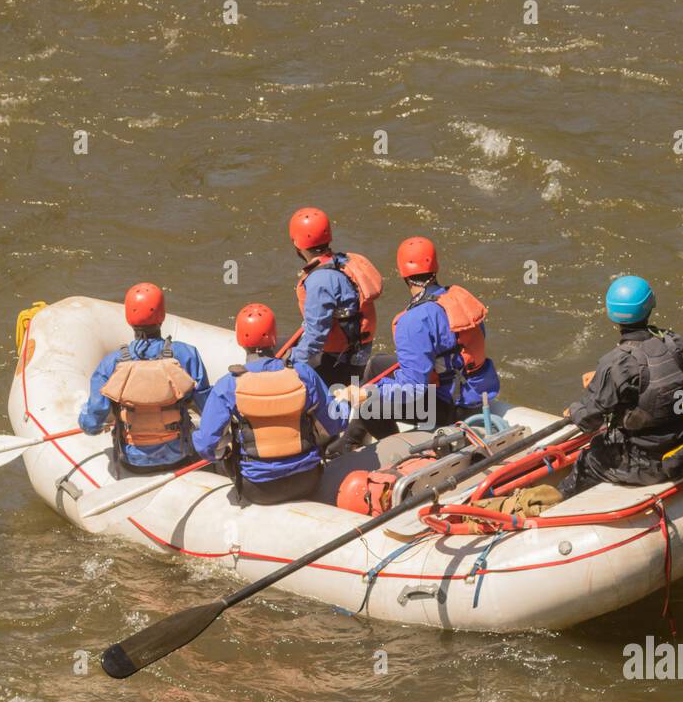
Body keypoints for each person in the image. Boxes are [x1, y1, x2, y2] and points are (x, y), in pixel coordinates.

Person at [335, 236, 499, 450]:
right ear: (436, 266)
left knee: (368, 406)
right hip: (472, 391)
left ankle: (400, 450)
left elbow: (414, 388)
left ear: (403, 273)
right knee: (377, 364)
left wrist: (367, 392)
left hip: (451, 407)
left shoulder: (412, 321)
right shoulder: (457, 298)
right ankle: (353, 437)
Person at [558, 276, 683, 496]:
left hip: (644, 464)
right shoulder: (676, 344)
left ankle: (559, 501)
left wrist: (576, 409)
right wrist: (606, 378)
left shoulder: (616, 362)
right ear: (651, 304)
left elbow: (590, 419)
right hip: (680, 447)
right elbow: (657, 378)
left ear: (612, 315)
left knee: (589, 458)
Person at [193, 303, 350, 505]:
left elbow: (206, 445)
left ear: (240, 339)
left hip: (258, 489)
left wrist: (224, 450)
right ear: (274, 336)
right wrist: (344, 401)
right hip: (308, 481)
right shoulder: (303, 374)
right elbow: (336, 423)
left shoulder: (228, 385)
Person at [79, 282, 211, 473]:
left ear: (129, 319)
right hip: (180, 458)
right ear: (162, 316)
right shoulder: (186, 354)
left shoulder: (111, 363)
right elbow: (206, 406)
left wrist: (94, 423)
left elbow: (91, 423)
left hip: (131, 462)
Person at [285, 207, 384, 388]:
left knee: (298, 383)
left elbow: (316, 336)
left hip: (340, 360)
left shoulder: (319, 281)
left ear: (296, 243)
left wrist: (290, 362)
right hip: (358, 351)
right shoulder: (345, 261)